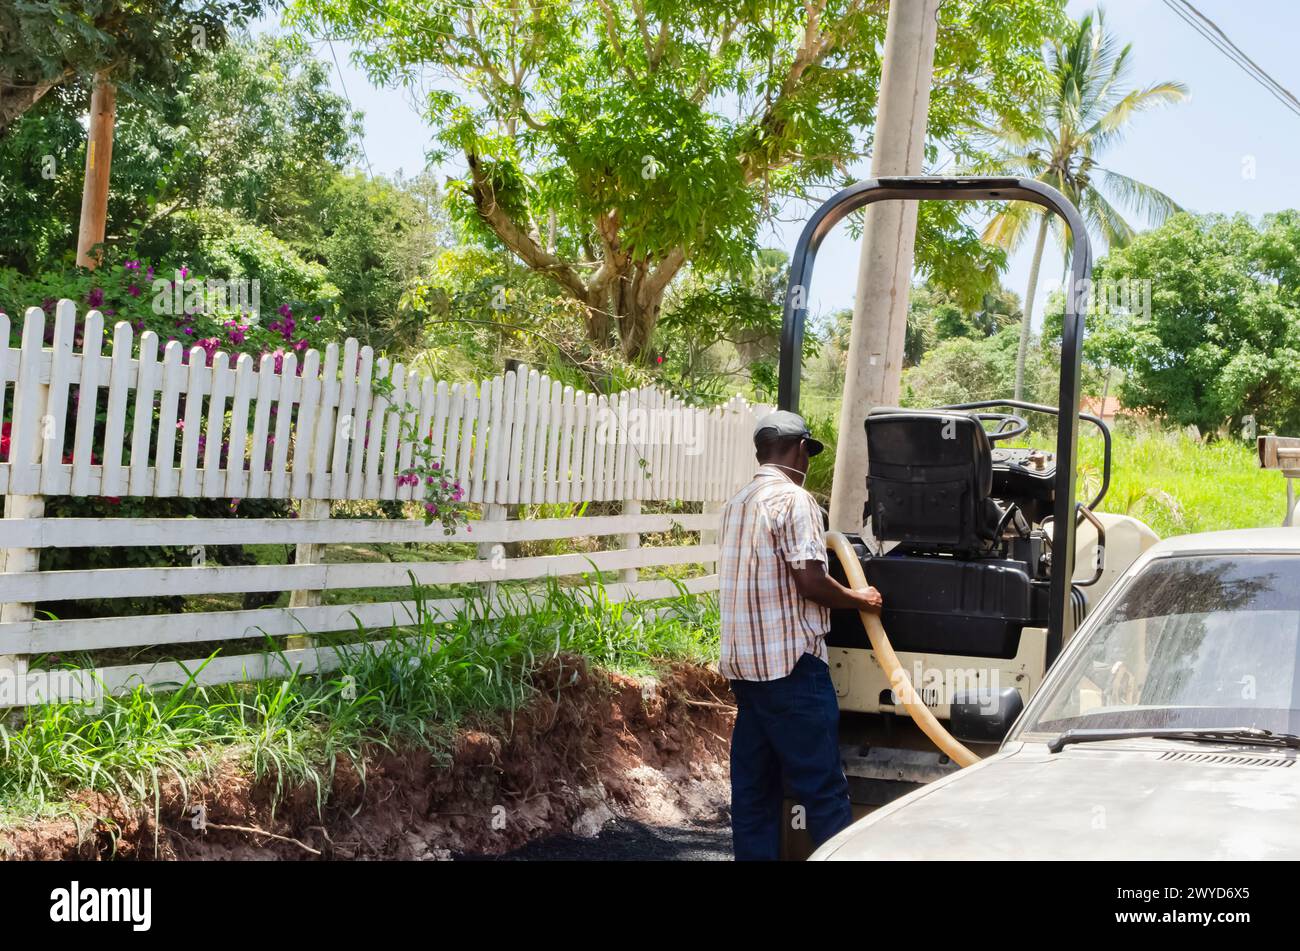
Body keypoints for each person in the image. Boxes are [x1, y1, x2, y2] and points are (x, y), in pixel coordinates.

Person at [719, 410, 883, 861]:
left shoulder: (736, 503)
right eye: (808, 454)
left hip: (746, 671)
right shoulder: (795, 501)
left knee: (754, 791)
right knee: (822, 789)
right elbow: (810, 581)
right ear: (799, 451)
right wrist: (860, 598)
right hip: (792, 669)